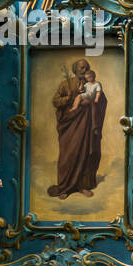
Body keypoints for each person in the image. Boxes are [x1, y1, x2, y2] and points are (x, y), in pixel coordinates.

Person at [48, 58, 107, 199]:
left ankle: (82, 186)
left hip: (87, 125)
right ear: (75, 70)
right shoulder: (65, 84)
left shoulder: (92, 84)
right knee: (68, 155)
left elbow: (102, 101)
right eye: (82, 68)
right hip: (69, 126)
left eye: (87, 68)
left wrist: (91, 103)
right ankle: (65, 188)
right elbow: (56, 101)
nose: (85, 70)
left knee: (87, 154)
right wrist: (67, 99)